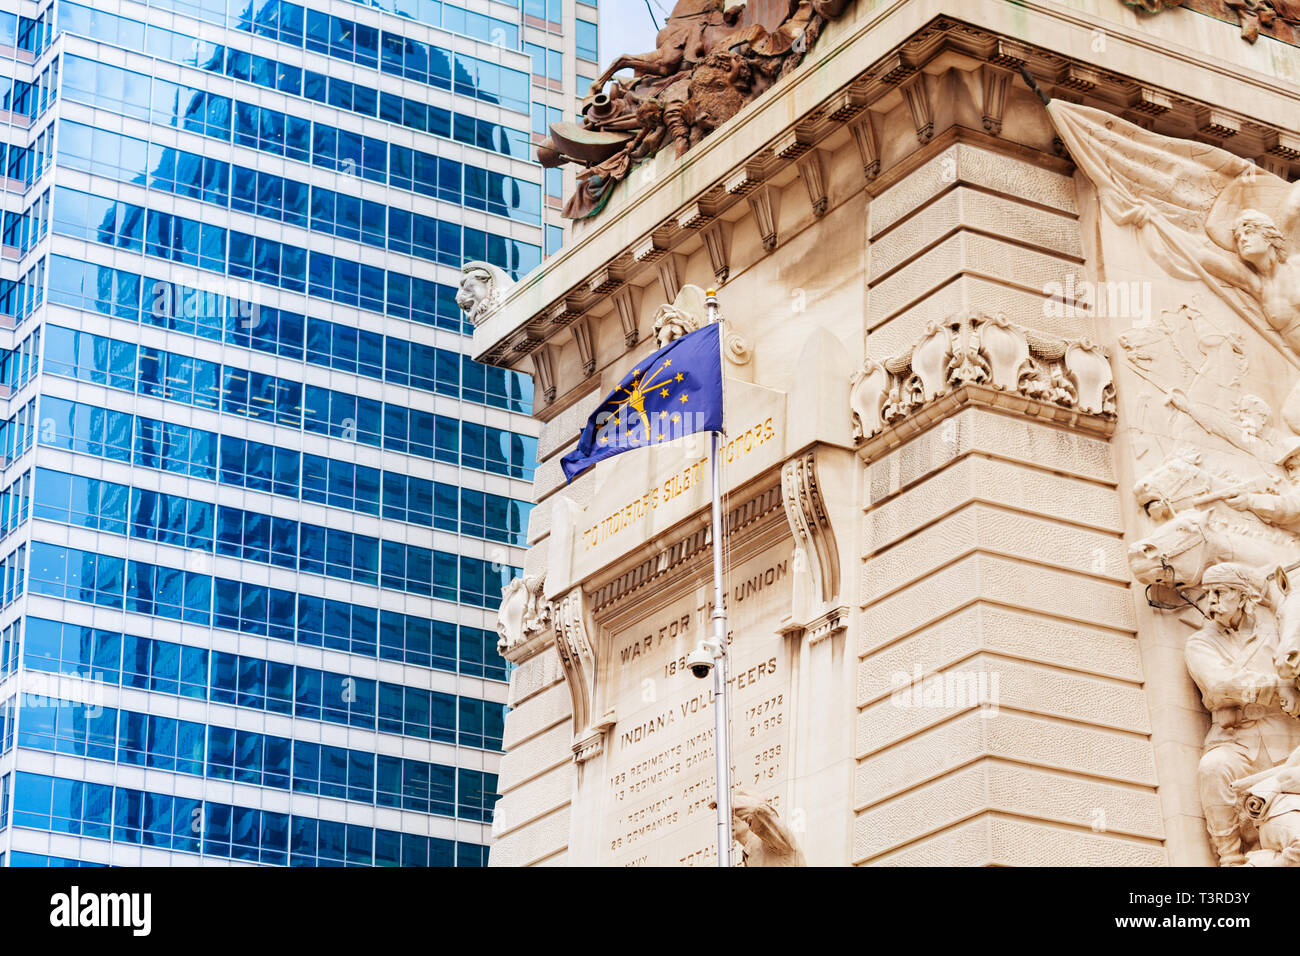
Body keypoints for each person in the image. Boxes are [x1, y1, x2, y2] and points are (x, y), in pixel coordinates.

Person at [1184, 562, 1300, 864]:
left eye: (1220, 592)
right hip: (1237, 745)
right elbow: (1219, 685)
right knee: (1213, 768)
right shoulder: (1200, 642)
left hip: (1286, 743)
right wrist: (1279, 685)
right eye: (1208, 593)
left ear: (1245, 597)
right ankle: (1230, 858)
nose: (1211, 600)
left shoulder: (1277, 633)